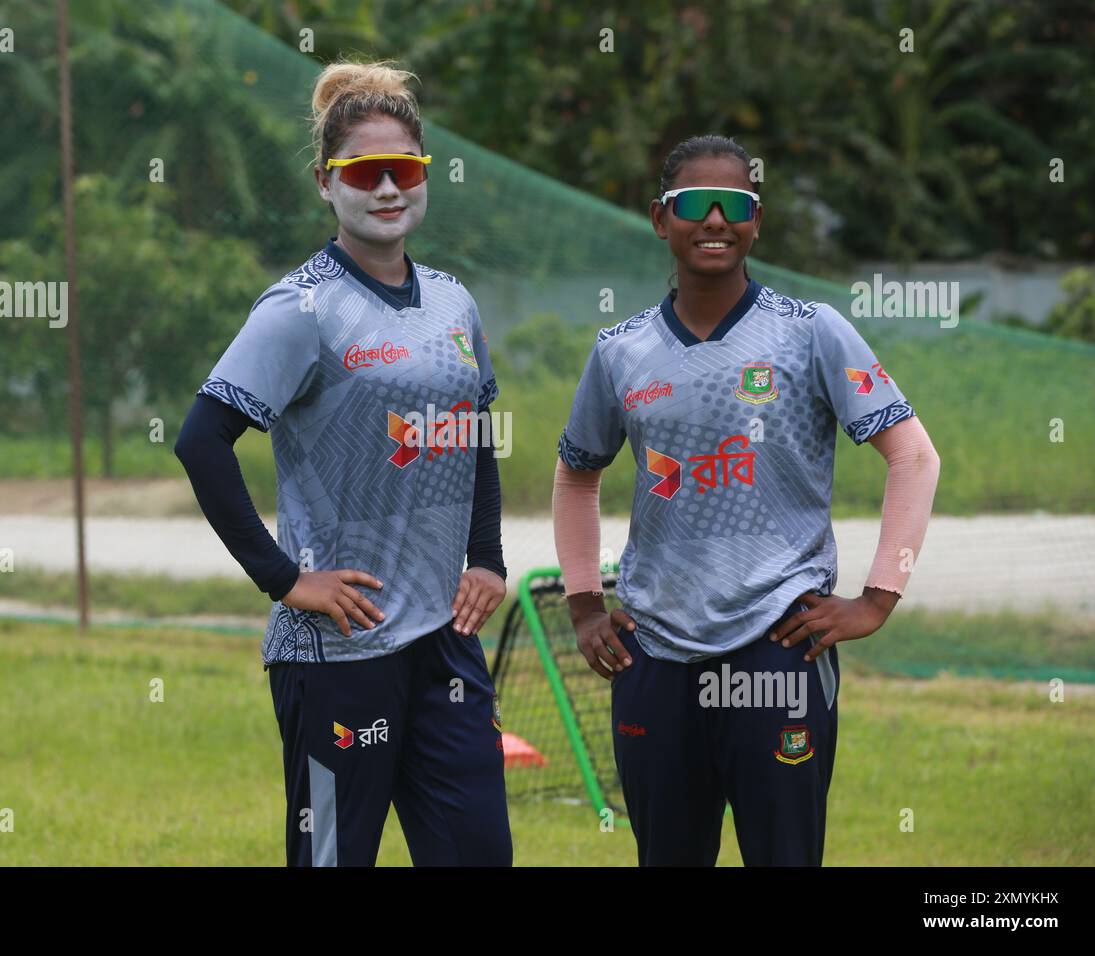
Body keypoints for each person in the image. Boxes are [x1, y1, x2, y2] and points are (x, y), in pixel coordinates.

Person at [552, 134, 941, 866]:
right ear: (660, 219)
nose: (716, 220)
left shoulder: (811, 333)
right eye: (695, 204)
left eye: (737, 205)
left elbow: (914, 457)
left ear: (757, 222)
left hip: (778, 648)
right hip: (654, 659)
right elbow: (577, 474)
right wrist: (582, 605)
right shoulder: (621, 351)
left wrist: (877, 599)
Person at [174, 60, 511, 867]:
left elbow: (475, 432)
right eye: (365, 172)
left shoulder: (454, 302)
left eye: (405, 170)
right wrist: (286, 579)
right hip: (339, 649)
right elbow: (201, 440)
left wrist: (488, 559)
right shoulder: (301, 308)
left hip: (446, 643)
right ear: (328, 182)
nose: (388, 189)